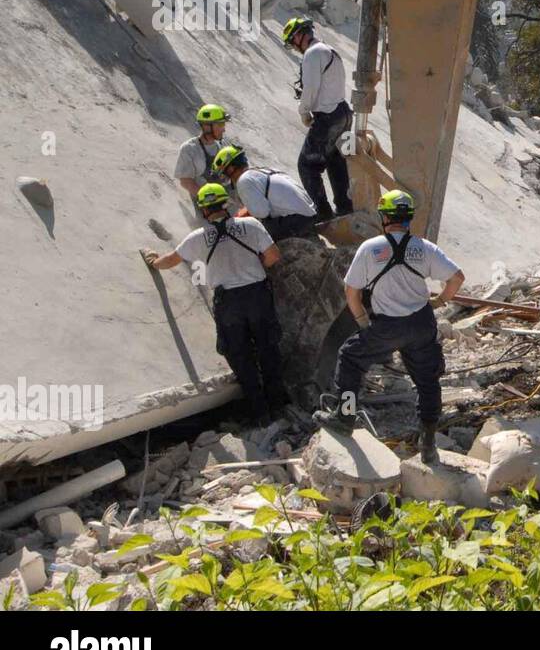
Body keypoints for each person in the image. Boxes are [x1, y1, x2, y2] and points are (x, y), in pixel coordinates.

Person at [314, 190, 465, 463]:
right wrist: (439, 301)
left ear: (384, 217)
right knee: (427, 382)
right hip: (421, 324)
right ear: (408, 218)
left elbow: (352, 291)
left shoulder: (370, 249)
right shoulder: (424, 248)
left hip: (387, 326)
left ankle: (345, 416)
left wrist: (362, 322)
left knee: (350, 358)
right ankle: (428, 442)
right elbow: (457, 278)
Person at [143, 183, 288, 423]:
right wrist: (252, 269)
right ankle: (279, 405)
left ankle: (260, 413)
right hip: (257, 295)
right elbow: (273, 255)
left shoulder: (198, 238)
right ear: (225, 204)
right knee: (268, 347)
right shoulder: (251, 225)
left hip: (229, 302)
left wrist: (153, 261)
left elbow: (171, 261)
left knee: (239, 355)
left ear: (203, 209)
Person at [282, 16, 354, 221]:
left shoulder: (313, 54)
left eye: (293, 42)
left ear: (298, 35)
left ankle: (322, 215)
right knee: (335, 161)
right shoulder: (329, 50)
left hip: (329, 116)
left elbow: (311, 88)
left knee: (307, 165)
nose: (295, 47)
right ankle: (345, 209)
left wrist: (304, 111)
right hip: (343, 113)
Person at [212, 145, 318, 241]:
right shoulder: (262, 171)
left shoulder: (243, 181)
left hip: (298, 221)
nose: (226, 179)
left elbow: (262, 213)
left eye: (224, 175)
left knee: (249, 234)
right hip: (309, 215)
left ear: (230, 169)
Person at [175, 104, 231, 199]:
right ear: (207, 126)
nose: (224, 129)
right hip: (205, 207)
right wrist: (209, 199)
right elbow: (186, 181)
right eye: (221, 124)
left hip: (229, 203)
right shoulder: (189, 149)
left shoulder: (225, 146)